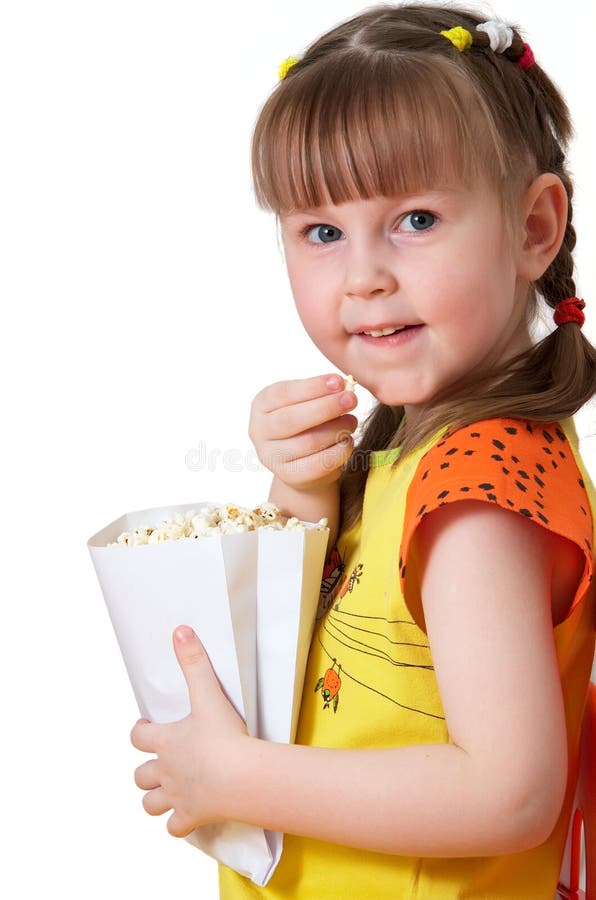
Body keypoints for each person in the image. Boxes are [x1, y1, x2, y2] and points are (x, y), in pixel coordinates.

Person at [130, 3, 596, 896]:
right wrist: (301, 490)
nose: (363, 276)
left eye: (416, 219)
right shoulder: (418, 456)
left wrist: (235, 778)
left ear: (534, 229)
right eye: (322, 232)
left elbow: (510, 793)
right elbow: (320, 647)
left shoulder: (477, 501)